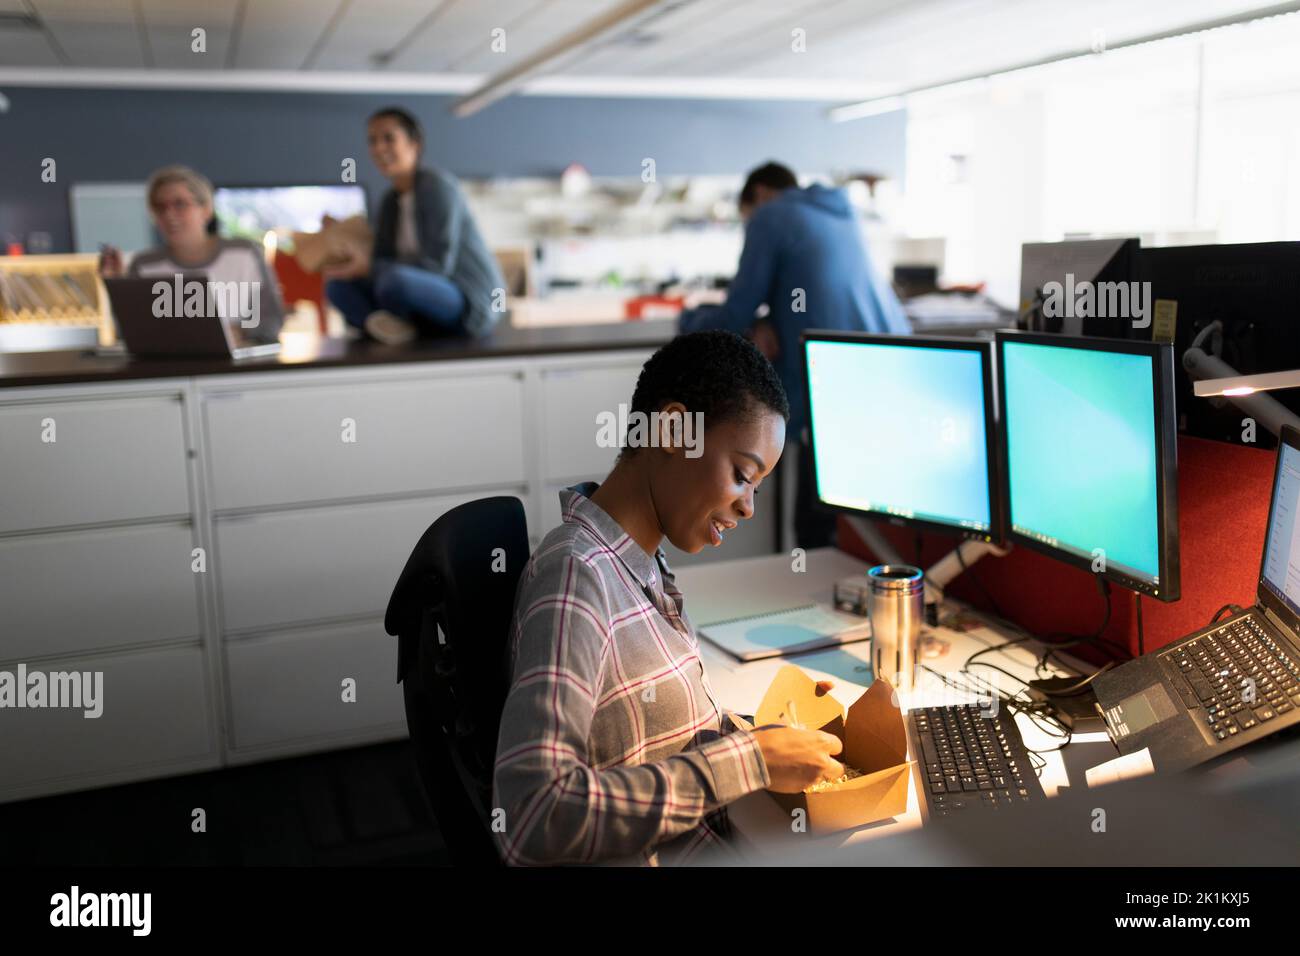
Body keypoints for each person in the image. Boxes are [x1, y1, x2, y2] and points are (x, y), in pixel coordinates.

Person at [492, 330, 846, 866]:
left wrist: (755, 736)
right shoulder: (576, 578)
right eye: (743, 475)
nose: (749, 506)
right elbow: (533, 815)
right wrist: (747, 760)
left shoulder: (640, 565)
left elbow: (652, 734)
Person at [679, 161, 911, 549]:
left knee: (815, 523)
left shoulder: (771, 215)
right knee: (859, 518)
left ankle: (806, 591)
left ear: (759, 196)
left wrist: (688, 315)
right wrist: (768, 319)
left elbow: (733, 314)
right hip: (889, 367)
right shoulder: (839, 213)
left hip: (834, 380)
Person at [323, 106, 505, 344]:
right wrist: (345, 240)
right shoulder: (390, 201)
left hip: (463, 297)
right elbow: (381, 257)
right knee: (337, 286)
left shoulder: (437, 187)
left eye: (389, 138)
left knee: (394, 280)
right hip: (410, 291)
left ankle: (389, 323)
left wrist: (370, 268)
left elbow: (437, 265)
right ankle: (389, 327)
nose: (378, 148)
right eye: (372, 140)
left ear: (414, 144)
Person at [99, 164, 284, 344]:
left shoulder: (244, 253)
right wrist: (115, 285)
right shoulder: (144, 265)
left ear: (206, 209)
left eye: (180, 204)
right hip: (170, 371)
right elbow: (130, 334)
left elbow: (272, 321)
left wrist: (238, 332)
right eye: (160, 207)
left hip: (236, 371)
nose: (169, 215)